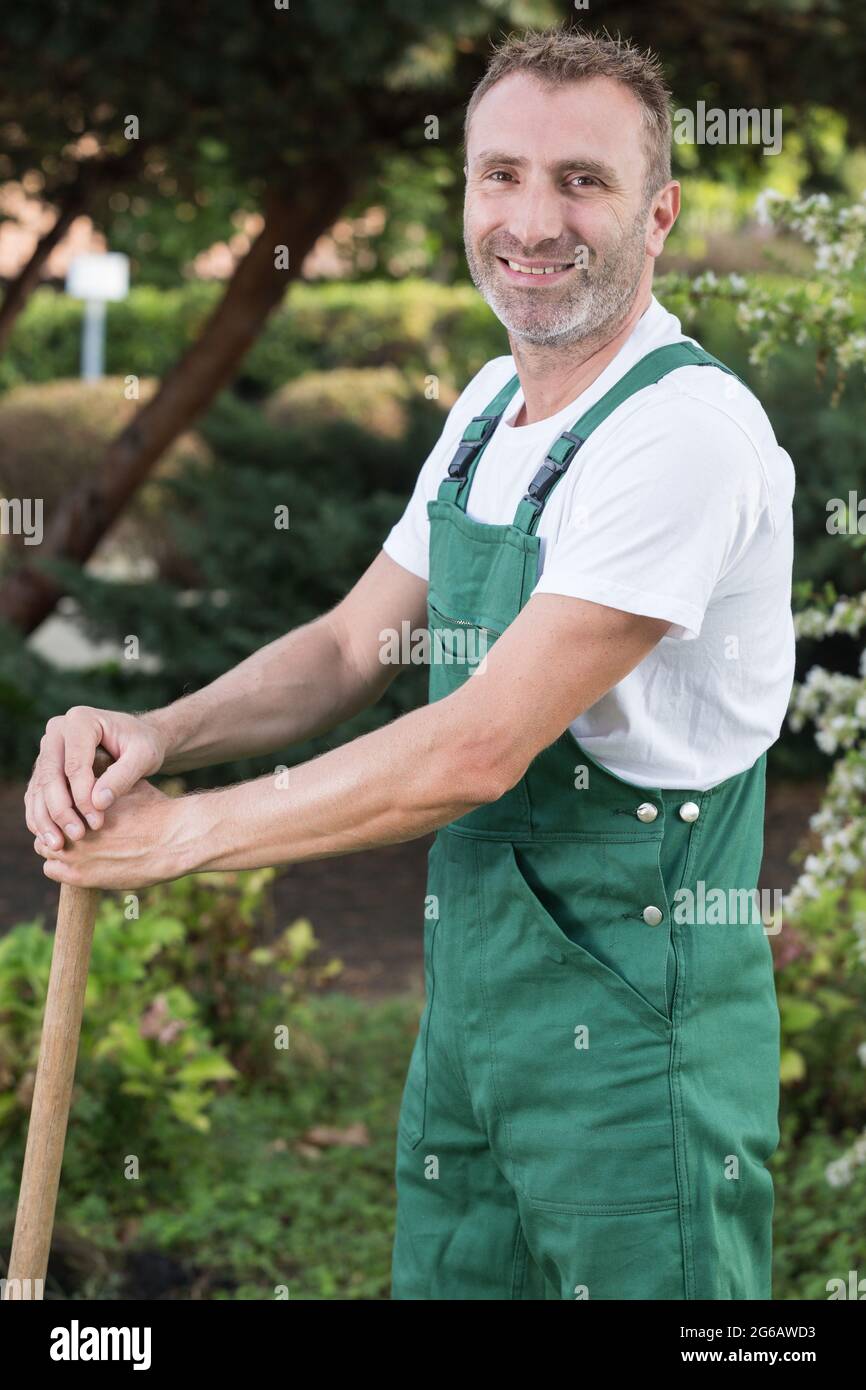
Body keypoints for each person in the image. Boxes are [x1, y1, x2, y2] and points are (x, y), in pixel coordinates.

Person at [25, 26, 795, 1300]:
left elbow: (475, 748)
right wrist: (162, 731)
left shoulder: (684, 435)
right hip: (470, 1024)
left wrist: (177, 838)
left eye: (581, 181)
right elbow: (347, 646)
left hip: (635, 1047)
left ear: (656, 214)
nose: (531, 218)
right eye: (499, 174)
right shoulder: (490, 403)